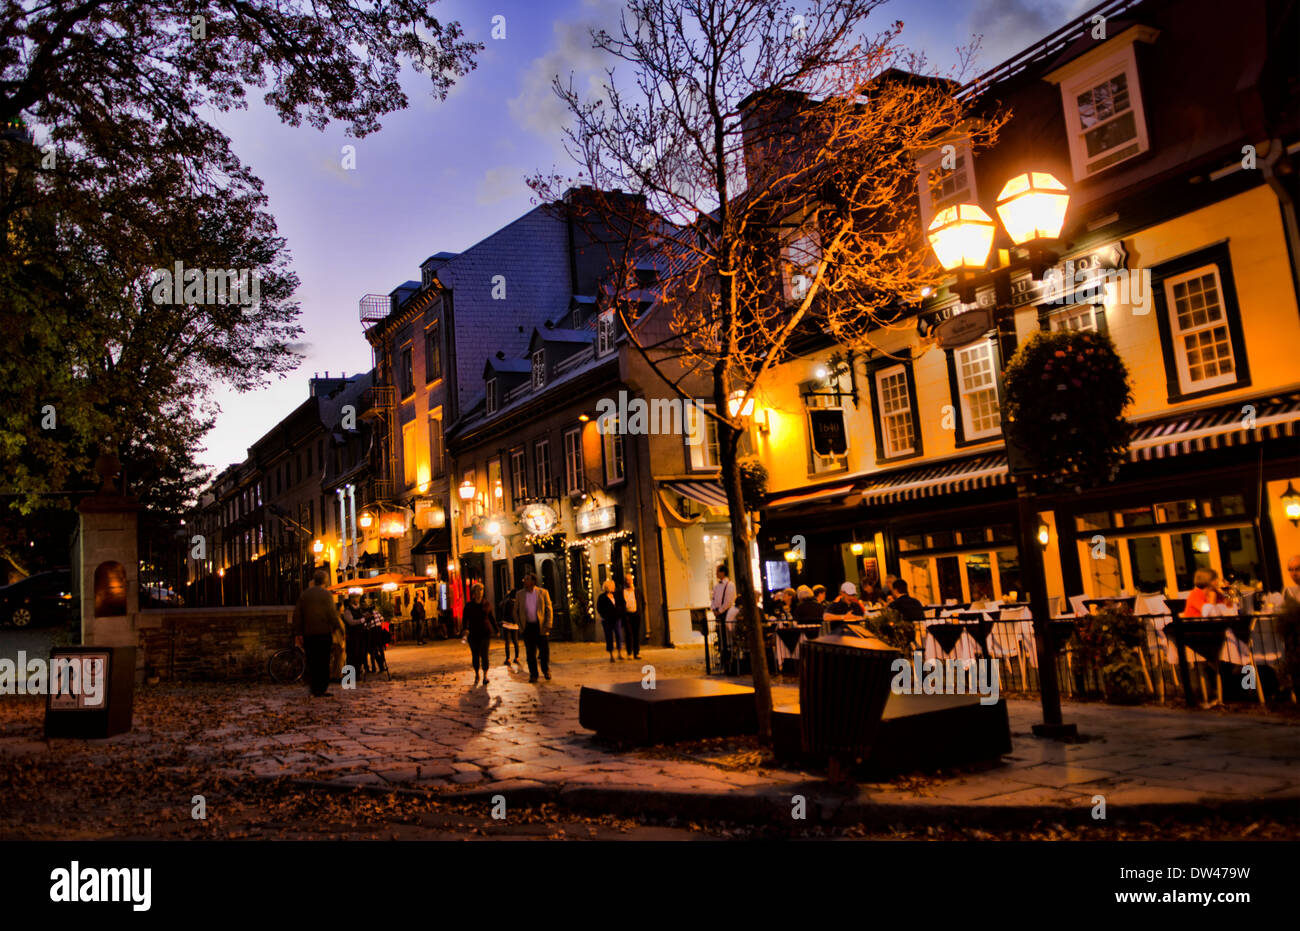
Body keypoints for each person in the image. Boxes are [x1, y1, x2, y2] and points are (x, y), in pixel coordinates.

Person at [291, 568, 345, 697]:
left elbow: (298, 615)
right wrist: (339, 628)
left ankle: (314, 687)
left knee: (312, 661)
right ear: (325, 580)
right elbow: (332, 614)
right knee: (324, 661)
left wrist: (298, 632)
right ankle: (322, 688)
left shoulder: (305, 594)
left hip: (309, 634)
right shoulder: (326, 595)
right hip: (323, 633)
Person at [513, 572, 553, 682]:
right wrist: (520, 626)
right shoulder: (520, 594)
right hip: (528, 627)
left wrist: (548, 624)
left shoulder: (543, 592)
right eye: (524, 579)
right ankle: (533, 674)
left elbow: (549, 609)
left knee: (544, 651)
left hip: (540, 626)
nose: (524, 581)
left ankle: (545, 670)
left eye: (527, 579)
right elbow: (515, 611)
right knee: (530, 652)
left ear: (533, 581)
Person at [463, 581, 497, 685]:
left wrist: (496, 629)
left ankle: (485, 675)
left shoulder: (486, 604)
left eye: (481, 590)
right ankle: (477, 673)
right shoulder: (469, 606)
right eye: (478, 590)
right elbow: (465, 619)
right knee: (475, 655)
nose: (480, 592)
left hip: (485, 632)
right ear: (474, 592)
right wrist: (465, 630)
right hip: (473, 633)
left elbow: (491, 617)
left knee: (485, 655)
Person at [342, 592, 369, 679]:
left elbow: (360, 617)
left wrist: (366, 616)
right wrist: (363, 619)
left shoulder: (358, 609)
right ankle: (350, 676)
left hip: (360, 635)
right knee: (352, 655)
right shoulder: (347, 610)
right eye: (357, 598)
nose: (358, 600)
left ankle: (357, 673)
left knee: (360, 654)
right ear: (353, 599)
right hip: (353, 636)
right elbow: (351, 622)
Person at [597, 579, 624, 662]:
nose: (614, 587)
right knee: (609, 637)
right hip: (607, 620)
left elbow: (622, 603)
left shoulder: (617, 595)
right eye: (612, 586)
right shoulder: (602, 597)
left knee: (619, 635)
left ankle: (619, 653)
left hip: (616, 619)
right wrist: (605, 615)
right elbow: (599, 608)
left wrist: (620, 612)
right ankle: (611, 655)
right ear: (608, 587)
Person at [621, 572, 643, 659]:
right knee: (629, 634)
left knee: (636, 634)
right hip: (627, 616)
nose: (629, 582)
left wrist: (640, 612)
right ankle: (629, 652)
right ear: (625, 581)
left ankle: (636, 652)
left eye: (630, 580)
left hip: (636, 615)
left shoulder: (637, 591)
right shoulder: (623, 592)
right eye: (627, 580)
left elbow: (642, 602)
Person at [498, 585, 521, 666]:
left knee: (507, 642)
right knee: (516, 642)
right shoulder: (518, 603)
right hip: (515, 625)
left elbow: (500, 605)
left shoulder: (507, 602)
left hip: (507, 624)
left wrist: (506, 596)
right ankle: (517, 658)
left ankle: (508, 659)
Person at [365, 598, 389, 674]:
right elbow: (382, 619)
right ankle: (383, 665)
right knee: (380, 649)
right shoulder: (377, 613)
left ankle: (375, 667)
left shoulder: (367, 615)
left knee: (373, 650)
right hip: (379, 631)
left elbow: (365, 625)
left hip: (372, 632)